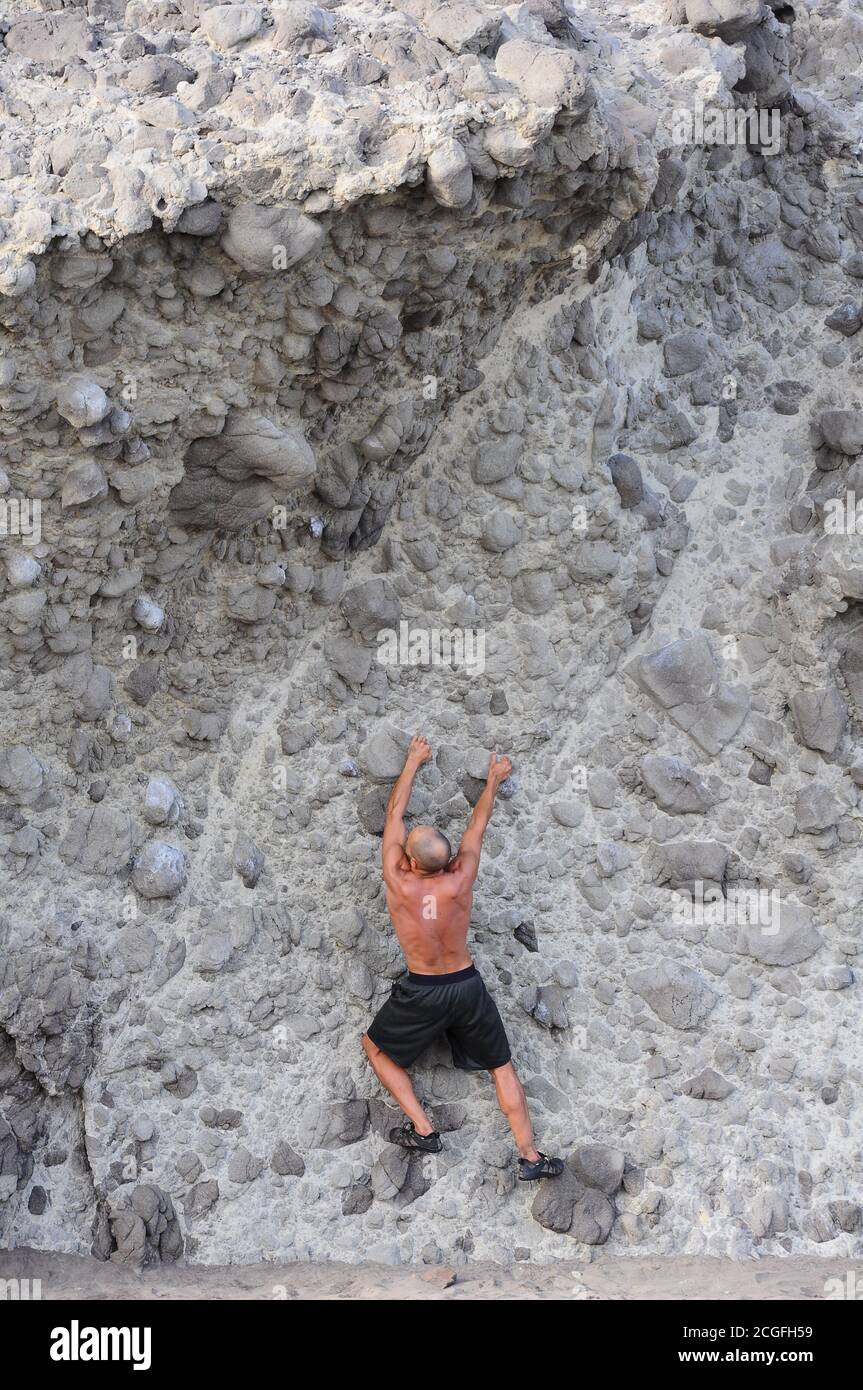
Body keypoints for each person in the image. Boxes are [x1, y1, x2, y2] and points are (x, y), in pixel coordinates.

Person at [361, 735, 564, 1181]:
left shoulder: (399, 882)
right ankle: (530, 1157)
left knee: (374, 1047)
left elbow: (394, 813)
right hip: (466, 984)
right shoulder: (461, 878)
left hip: (423, 987)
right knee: (501, 1066)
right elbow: (478, 825)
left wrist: (413, 760)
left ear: (409, 862)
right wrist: (493, 780)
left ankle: (424, 1128)